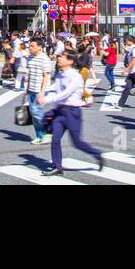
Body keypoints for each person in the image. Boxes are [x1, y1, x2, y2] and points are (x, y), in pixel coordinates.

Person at [40, 48, 104, 177]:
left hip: (72, 112)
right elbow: (58, 93)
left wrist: (47, 99)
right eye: (59, 56)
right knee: (55, 139)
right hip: (60, 112)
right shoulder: (59, 74)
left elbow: (66, 93)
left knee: (77, 143)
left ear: (70, 61)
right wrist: (53, 109)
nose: (59, 58)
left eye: (62, 57)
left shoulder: (75, 76)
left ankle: (97, 154)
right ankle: (57, 167)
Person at [24, 37, 52, 145]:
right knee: (33, 113)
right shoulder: (30, 57)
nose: (30, 48)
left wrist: (42, 91)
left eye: (32, 46)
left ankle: (45, 132)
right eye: (30, 45)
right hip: (31, 88)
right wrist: (27, 87)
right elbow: (29, 73)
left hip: (39, 89)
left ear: (39, 47)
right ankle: (39, 135)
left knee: (36, 112)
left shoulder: (44, 58)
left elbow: (46, 76)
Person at [116, 35, 135, 108]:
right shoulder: (132, 49)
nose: (125, 42)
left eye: (126, 40)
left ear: (130, 41)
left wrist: (126, 69)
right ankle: (121, 103)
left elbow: (134, 60)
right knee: (127, 88)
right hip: (132, 72)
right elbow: (129, 52)